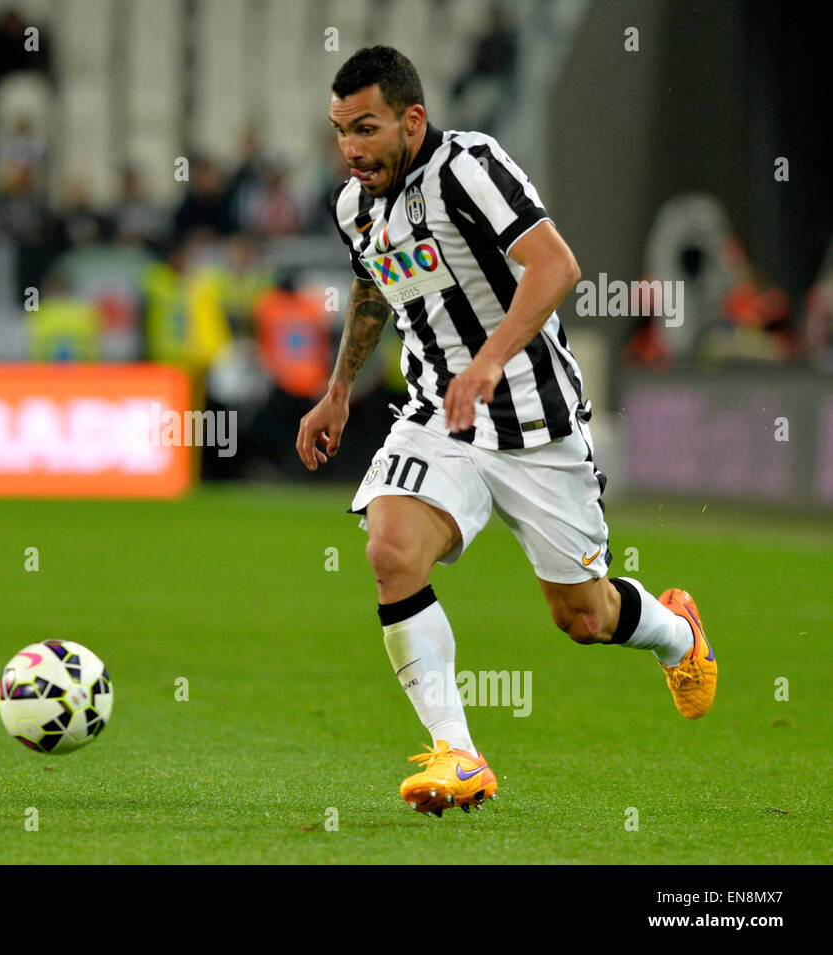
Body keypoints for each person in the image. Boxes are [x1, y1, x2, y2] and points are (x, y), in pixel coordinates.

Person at [297, 47, 716, 817]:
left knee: (583, 616)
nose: (351, 148)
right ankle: (458, 752)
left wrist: (489, 362)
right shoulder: (355, 205)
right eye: (338, 131)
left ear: (411, 119)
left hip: (533, 418)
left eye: (365, 128)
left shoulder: (469, 166)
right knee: (390, 550)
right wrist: (338, 390)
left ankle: (677, 635)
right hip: (439, 414)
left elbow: (555, 266)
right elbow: (374, 283)